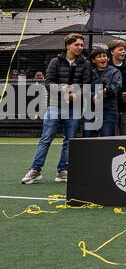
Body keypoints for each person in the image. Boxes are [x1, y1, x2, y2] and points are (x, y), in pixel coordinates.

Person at [23, 34, 91, 184]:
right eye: (77, 45)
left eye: (81, 45)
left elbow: (87, 85)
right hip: (55, 107)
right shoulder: (55, 61)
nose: (80, 47)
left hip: (75, 108)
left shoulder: (85, 63)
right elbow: (48, 83)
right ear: (68, 46)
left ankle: (62, 171)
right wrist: (62, 88)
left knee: (69, 140)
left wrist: (76, 94)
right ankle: (35, 170)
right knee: (46, 139)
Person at [87, 46, 121, 138]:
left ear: (108, 58)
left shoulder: (115, 72)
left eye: (104, 56)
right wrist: (92, 96)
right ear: (93, 60)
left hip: (109, 110)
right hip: (92, 110)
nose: (102, 58)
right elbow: (85, 88)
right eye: (99, 56)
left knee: (107, 139)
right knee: (88, 140)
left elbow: (116, 86)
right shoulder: (90, 72)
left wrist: (106, 91)